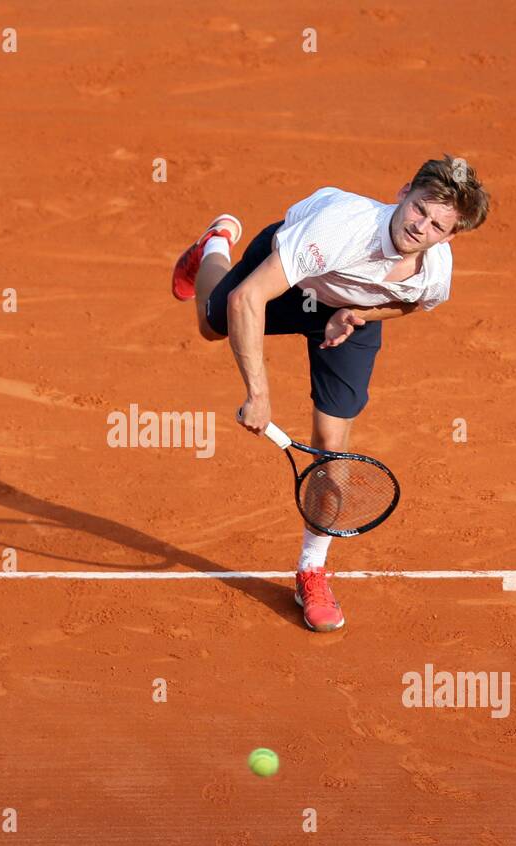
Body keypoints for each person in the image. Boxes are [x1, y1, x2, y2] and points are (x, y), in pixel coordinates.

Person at [171, 155, 490, 632]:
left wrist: (358, 315)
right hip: (289, 279)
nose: (421, 227)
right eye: (420, 209)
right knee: (214, 323)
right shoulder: (342, 229)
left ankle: (311, 569)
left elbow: (407, 303)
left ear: (450, 236)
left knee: (332, 450)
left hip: (347, 313)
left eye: (437, 225)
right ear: (404, 192)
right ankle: (215, 242)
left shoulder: (435, 273)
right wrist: (258, 394)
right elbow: (249, 299)